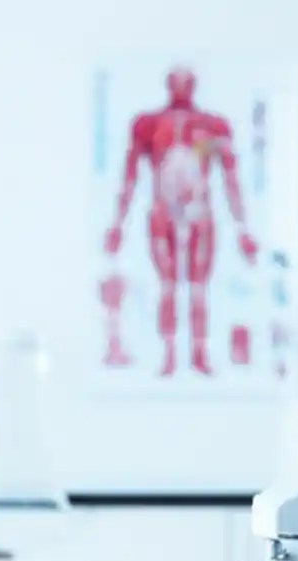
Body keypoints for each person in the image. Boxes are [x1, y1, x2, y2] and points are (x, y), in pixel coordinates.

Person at [101, 66, 259, 376]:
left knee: (199, 287)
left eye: (187, 82)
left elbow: (231, 180)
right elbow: (130, 177)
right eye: (177, 82)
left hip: (200, 212)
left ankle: (199, 353)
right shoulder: (147, 125)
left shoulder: (213, 126)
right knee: (168, 285)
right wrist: (118, 224)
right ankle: (170, 353)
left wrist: (243, 230)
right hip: (163, 213)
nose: (182, 88)